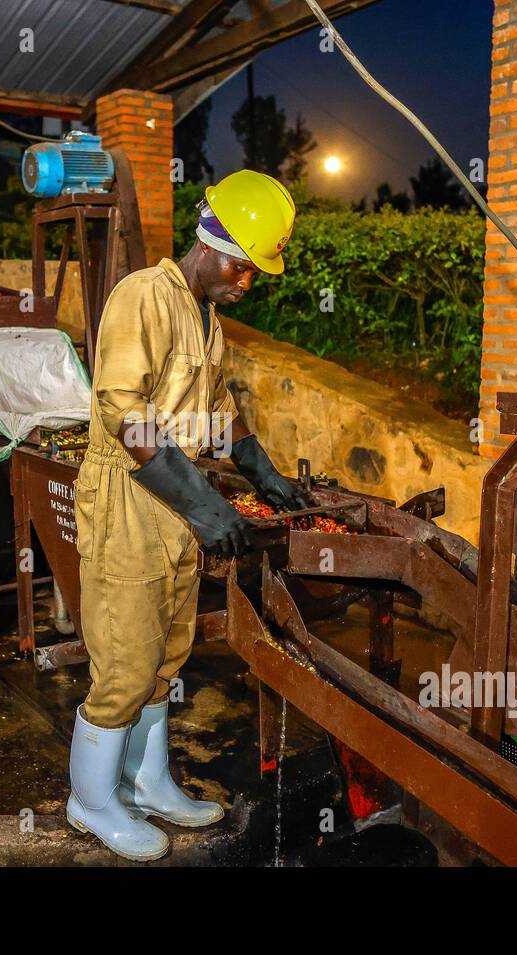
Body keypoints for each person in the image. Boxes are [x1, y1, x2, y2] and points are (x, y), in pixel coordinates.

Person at [67, 169, 309, 861]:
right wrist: (206, 505)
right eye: (242, 266)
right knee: (124, 659)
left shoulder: (209, 319)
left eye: (256, 271)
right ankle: (90, 800)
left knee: (167, 654)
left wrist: (265, 476)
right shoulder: (143, 295)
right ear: (210, 244)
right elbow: (125, 413)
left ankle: (147, 784)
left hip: (172, 502)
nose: (247, 281)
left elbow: (218, 413)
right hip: (128, 499)